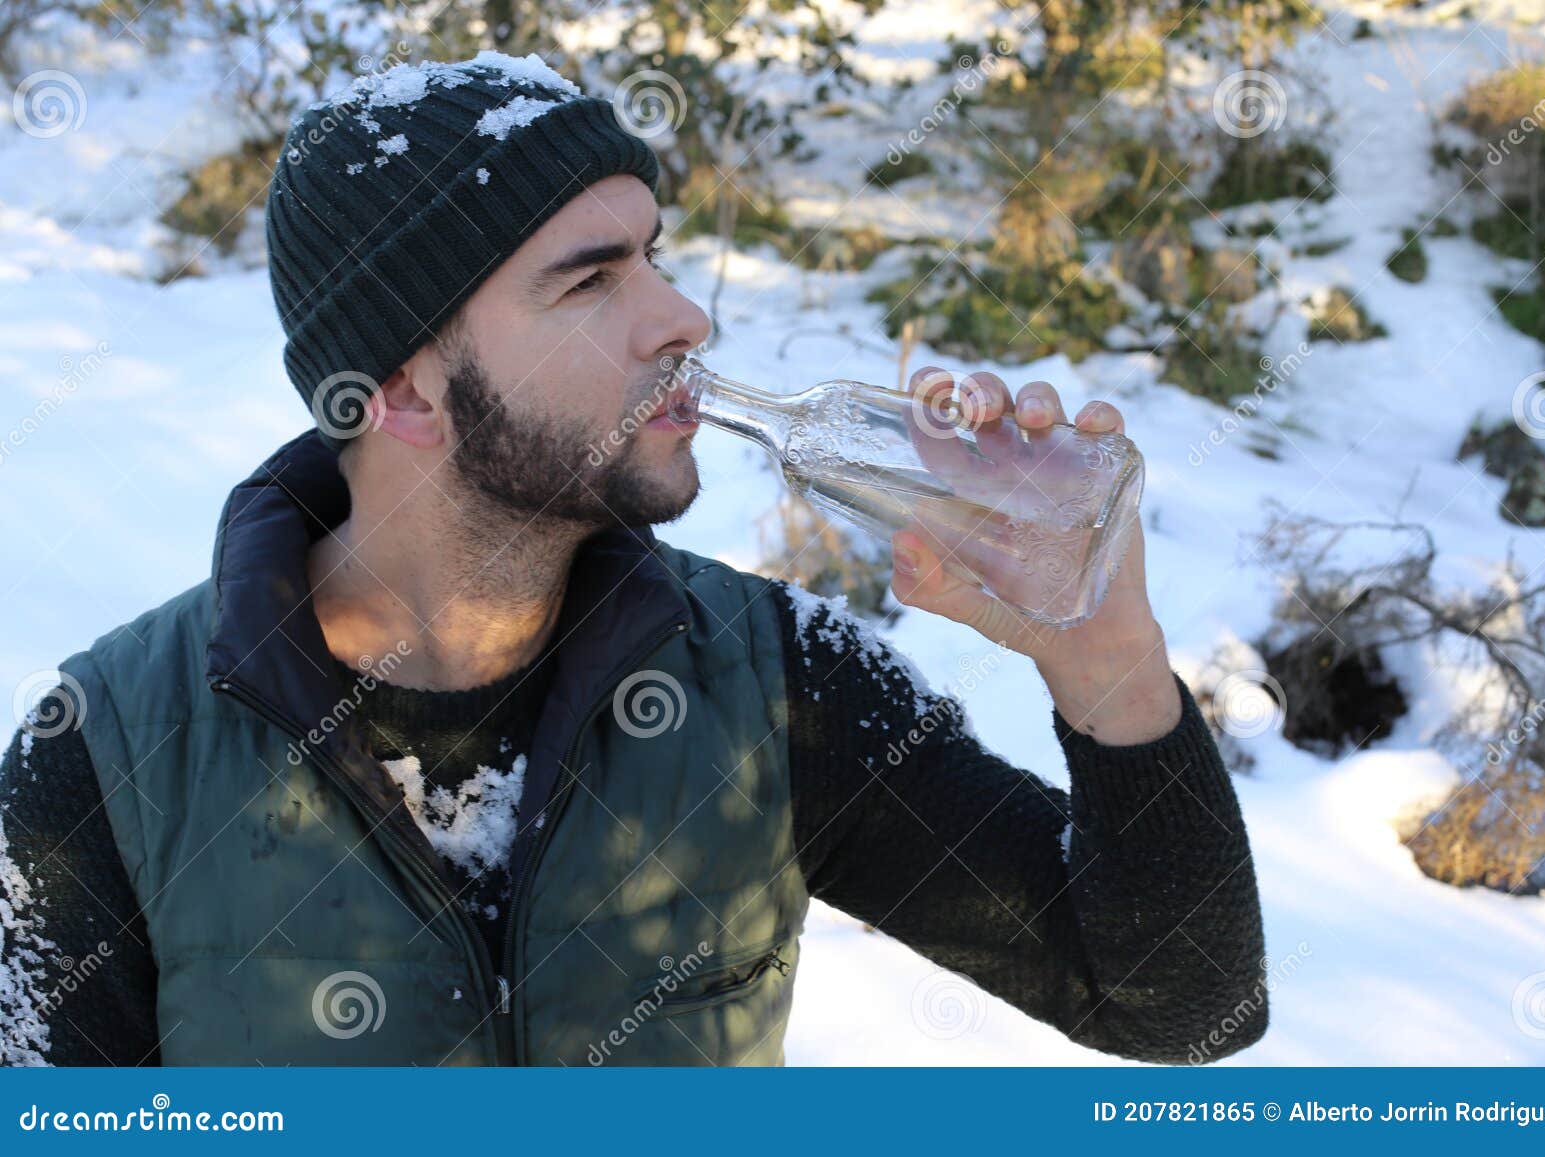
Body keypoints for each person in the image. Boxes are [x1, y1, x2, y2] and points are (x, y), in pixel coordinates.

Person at [0, 51, 1266, 1067]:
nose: (681, 314)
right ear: (399, 392)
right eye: (590, 281)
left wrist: (1100, 653)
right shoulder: (110, 752)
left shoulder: (772, 681)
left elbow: (1180, 1010)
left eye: (651, 251)